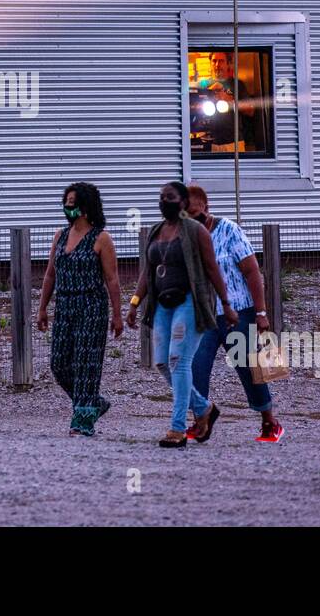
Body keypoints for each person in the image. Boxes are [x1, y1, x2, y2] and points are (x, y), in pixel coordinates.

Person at [127, 181, 237, 447]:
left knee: (179, 360)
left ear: (184, 201)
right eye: (162, 197)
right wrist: (134, 302)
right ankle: (204, 409)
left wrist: (226, 303)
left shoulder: (196, 231)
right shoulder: (156, 231)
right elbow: (148, 270)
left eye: (171, 197)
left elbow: (212, 270)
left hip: (189, 301)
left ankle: (177, 428)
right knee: (163, 362)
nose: (165, 201)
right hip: (162, 303)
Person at [185, 184, 284, 443]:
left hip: (238, 312)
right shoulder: (186, 237)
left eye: (196, 213)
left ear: (206, 207)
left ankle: (269, 421)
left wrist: (261, 312)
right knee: (196, 367)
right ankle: (201, 421)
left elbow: (252, 271)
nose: (192, 218)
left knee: (248, 367)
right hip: (204, 316)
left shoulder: (229, 230)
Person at [37, 182, 124, 436]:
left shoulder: (101, 238)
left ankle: (83, 419)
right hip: (65, 305)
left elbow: (112, 279)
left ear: (85, 207)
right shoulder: (60, 236)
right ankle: (93, 403)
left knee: (87, 362)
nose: (68, 207)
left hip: (91, 306)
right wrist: (42, 307)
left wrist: (117, 314)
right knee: (59, 362)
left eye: (73, 203)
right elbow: (50, 275)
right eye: (66, 202)